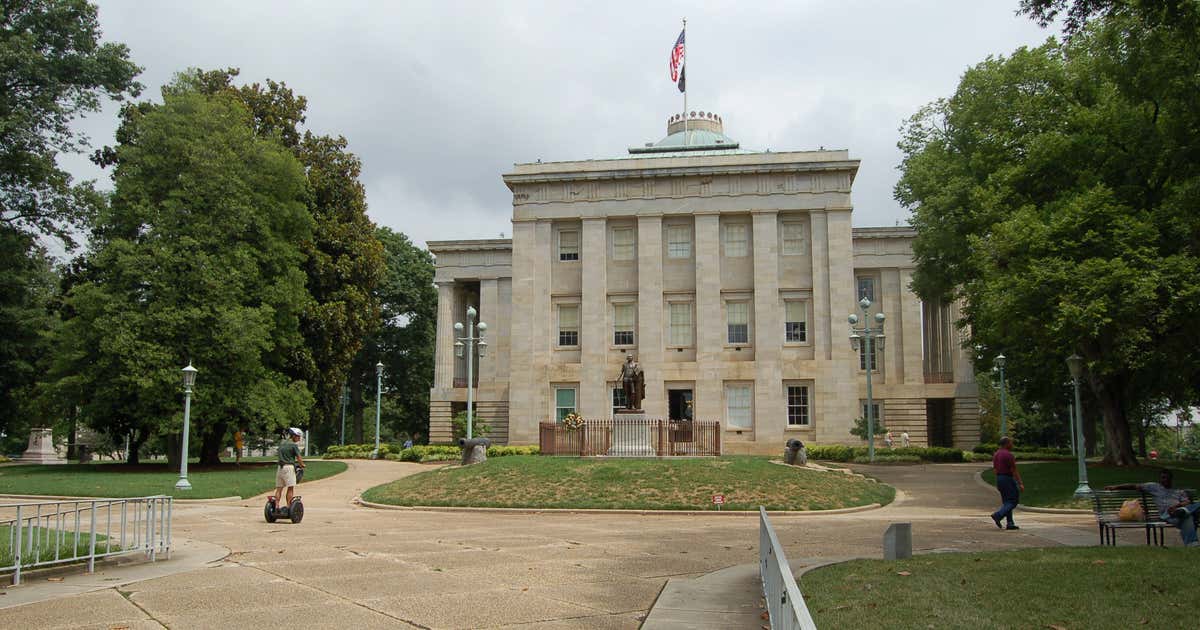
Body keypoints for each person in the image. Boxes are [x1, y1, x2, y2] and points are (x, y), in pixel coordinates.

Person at [1105, 469, 1199, 547]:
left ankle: (1192, 544)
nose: (1164, 480)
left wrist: (1176, 506)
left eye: (1166, 478)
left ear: (1171, 479)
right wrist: (1115, 487)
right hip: (1167, 515)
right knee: (1190, 516)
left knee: (1188, 515)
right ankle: (1193, 542)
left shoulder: (1178, 490)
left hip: (1177, 512)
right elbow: (1133, 486)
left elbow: (1187, 502)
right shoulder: (1154, 487)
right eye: (1162, 478)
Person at [990, 436, 1023, 530]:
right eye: (1011, 443)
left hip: (1000, 478)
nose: (1012, 444)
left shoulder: (996, 454)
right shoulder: (1008, 455)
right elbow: (1014, 470)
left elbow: (995, 470)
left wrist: (998, 481)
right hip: (1007, 478)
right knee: (1013, 500)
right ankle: (998, 515)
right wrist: (1020, 483)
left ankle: (1010, 523)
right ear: (1006, 444)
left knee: (1006, 502)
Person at [272, 427, 305, 507]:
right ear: (293, 436)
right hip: (289, 468)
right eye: (298, 436)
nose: (299, 438)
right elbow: (299, 458)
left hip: (280, 468)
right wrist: (302, 465)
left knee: (279, 488)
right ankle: (289, 507)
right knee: (290, 488)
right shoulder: (293, 445)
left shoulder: (282, 443)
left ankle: (276, 506)